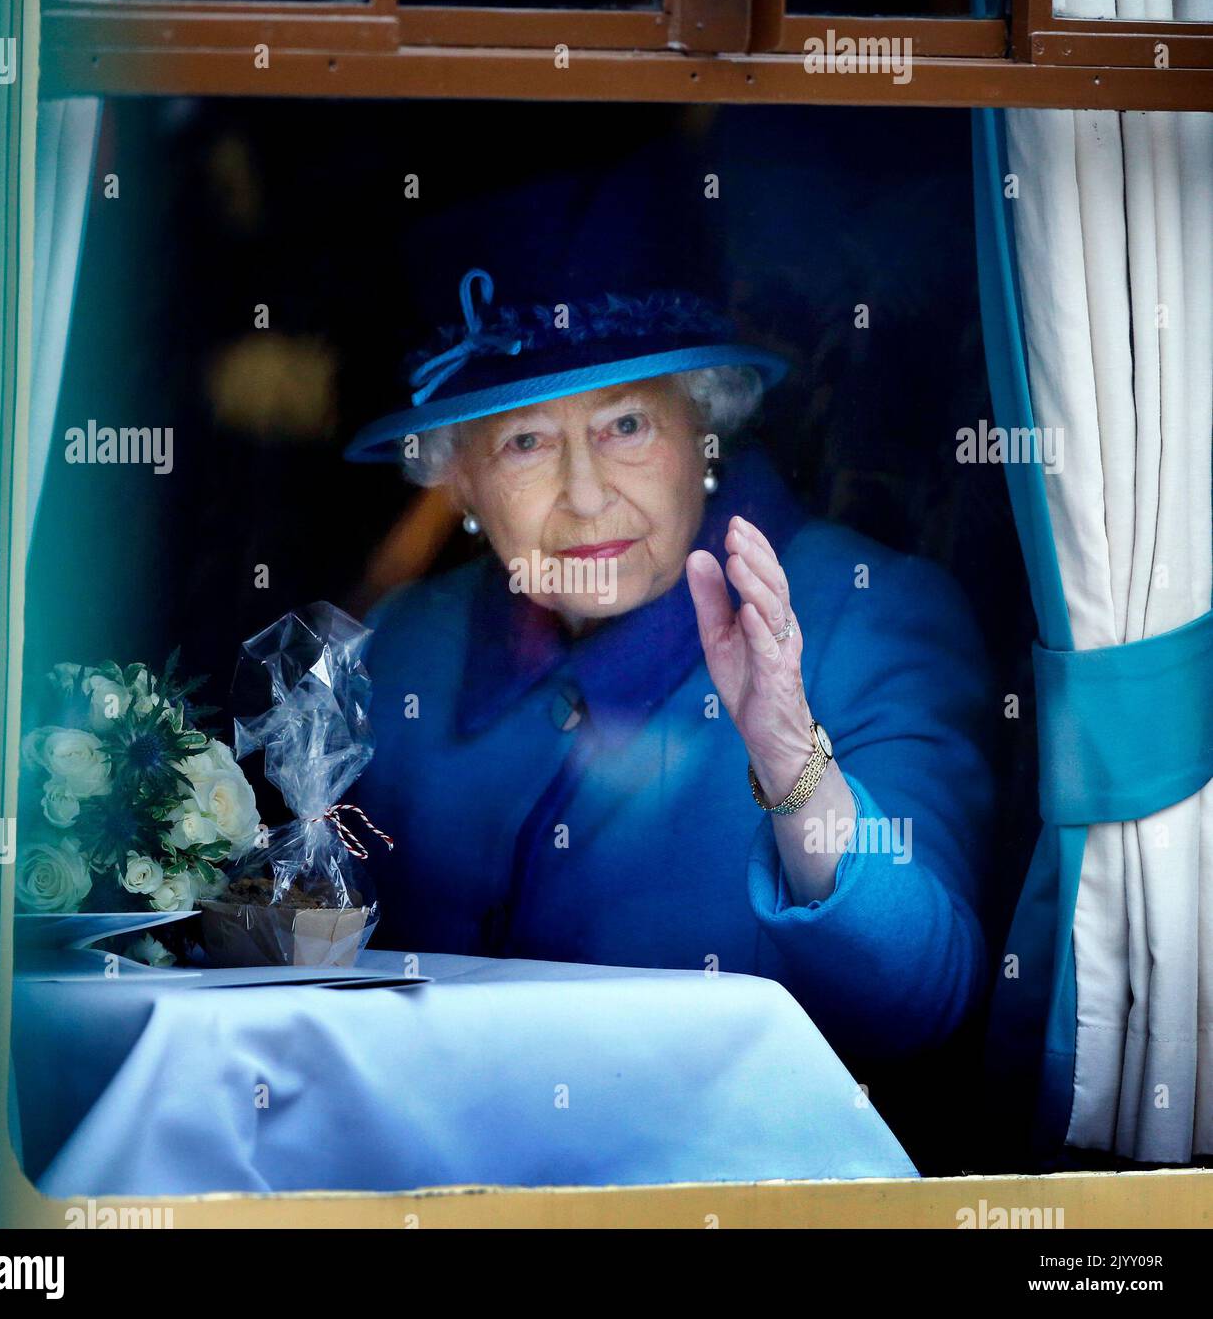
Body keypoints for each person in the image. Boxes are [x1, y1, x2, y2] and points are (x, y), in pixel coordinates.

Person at [344, 266, 995, 1064]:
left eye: (626, 426)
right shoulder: (402, 646)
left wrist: (793, 760)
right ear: (462, 482)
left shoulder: (870, 615)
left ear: (704, 431)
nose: (585, 496)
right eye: (525, 441)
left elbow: (923, 1004)